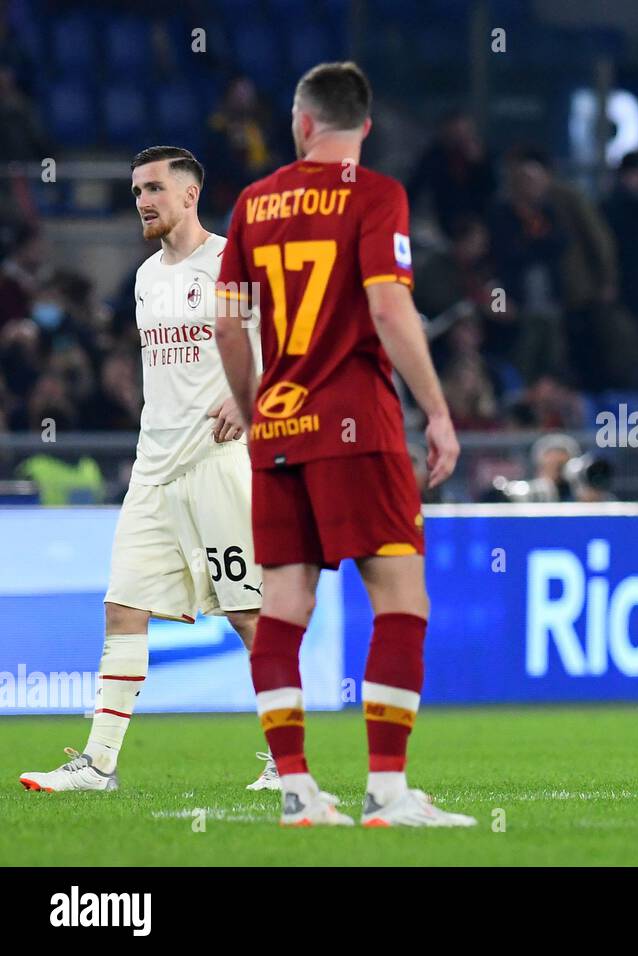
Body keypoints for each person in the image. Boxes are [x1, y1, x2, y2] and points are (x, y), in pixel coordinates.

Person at [215, 61, 473, 828]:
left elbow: (229, 323)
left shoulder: (254, 203)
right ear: (364, 127)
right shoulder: (376, 193)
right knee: (401, 598)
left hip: (280, 428)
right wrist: (437, 409)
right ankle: (388, 794)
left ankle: (297, 791)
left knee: (284, 608)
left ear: (300, 123)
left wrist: (252, 403)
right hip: (357, 423)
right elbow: (390, 310)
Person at [19, 147, 270, 793]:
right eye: (136, 191)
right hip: (153, 469)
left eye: (154, 188)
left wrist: (250, 393)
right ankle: (99, 765)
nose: (143, 202)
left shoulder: (231, 263)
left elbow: (285, 345)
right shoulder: (144, 277)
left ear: (190, 194)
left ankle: (286, 760)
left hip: (217, 463)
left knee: (249, 616)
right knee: (124, 610)